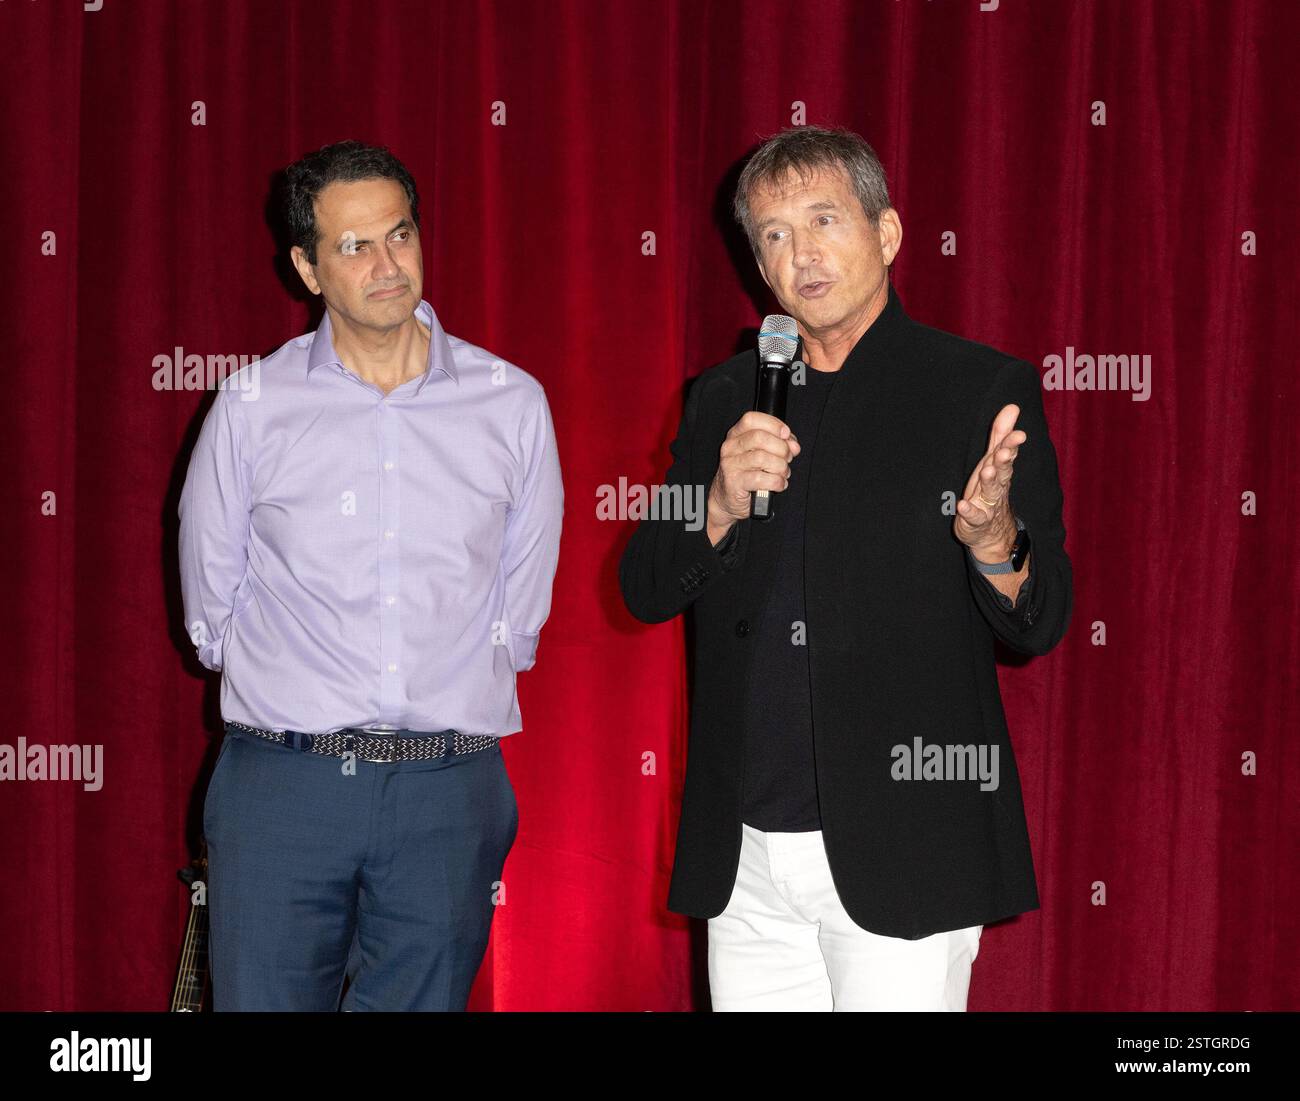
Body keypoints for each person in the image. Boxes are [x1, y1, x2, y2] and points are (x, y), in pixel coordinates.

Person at [619, 125, 1072, 1011]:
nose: (802, 253)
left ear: (888, 234)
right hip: (745, 854)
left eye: (825, 220)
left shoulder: (974, 390)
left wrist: (992, 544)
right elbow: (642, 581)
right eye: (775, 235)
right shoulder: (724, 395)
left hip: (905, 843)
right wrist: (711, 503)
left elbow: (1041, 615)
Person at [179, 140, 563, 1011]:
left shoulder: (512, 404)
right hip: (283, 788)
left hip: (449, 792)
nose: (387, 264)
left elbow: (522, 600)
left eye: (399, 235)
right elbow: (211, 609)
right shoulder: (249, 408)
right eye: (353, 246)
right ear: (307, 268)